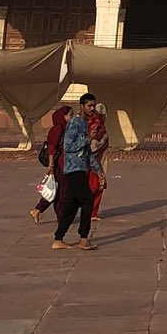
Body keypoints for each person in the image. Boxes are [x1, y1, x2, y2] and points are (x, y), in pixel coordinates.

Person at [51, 93, 101, 250]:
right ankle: (84, 238)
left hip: (81, 168)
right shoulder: (75, 124)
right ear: (83, 106)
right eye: (89, 106)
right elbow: (68, 147)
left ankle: (58, 238)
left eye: (94, 105)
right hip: (73, 169)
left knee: (71, 206)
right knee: (87, 199)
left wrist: (98, 170)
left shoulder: (85, 125)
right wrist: (88, 138)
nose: (92, 109)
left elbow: (86, 152)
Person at [30, 105, 69, 221]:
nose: (71, 117)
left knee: (57, 189)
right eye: (69, 115)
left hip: (64, 163)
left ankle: (38, 210)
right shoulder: (57, 129)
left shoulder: (64, 128)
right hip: (58, 164)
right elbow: (51, 147)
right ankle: (61, 216)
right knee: (59, 189)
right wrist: (51, 165)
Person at [83, 93, 110, 233]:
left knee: (96, 186)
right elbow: (95, 143)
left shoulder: (93, 124)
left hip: (96, 161)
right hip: (94, 162)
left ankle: (92, 212)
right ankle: (91, 212)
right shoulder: (95, 126)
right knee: (95, 186)